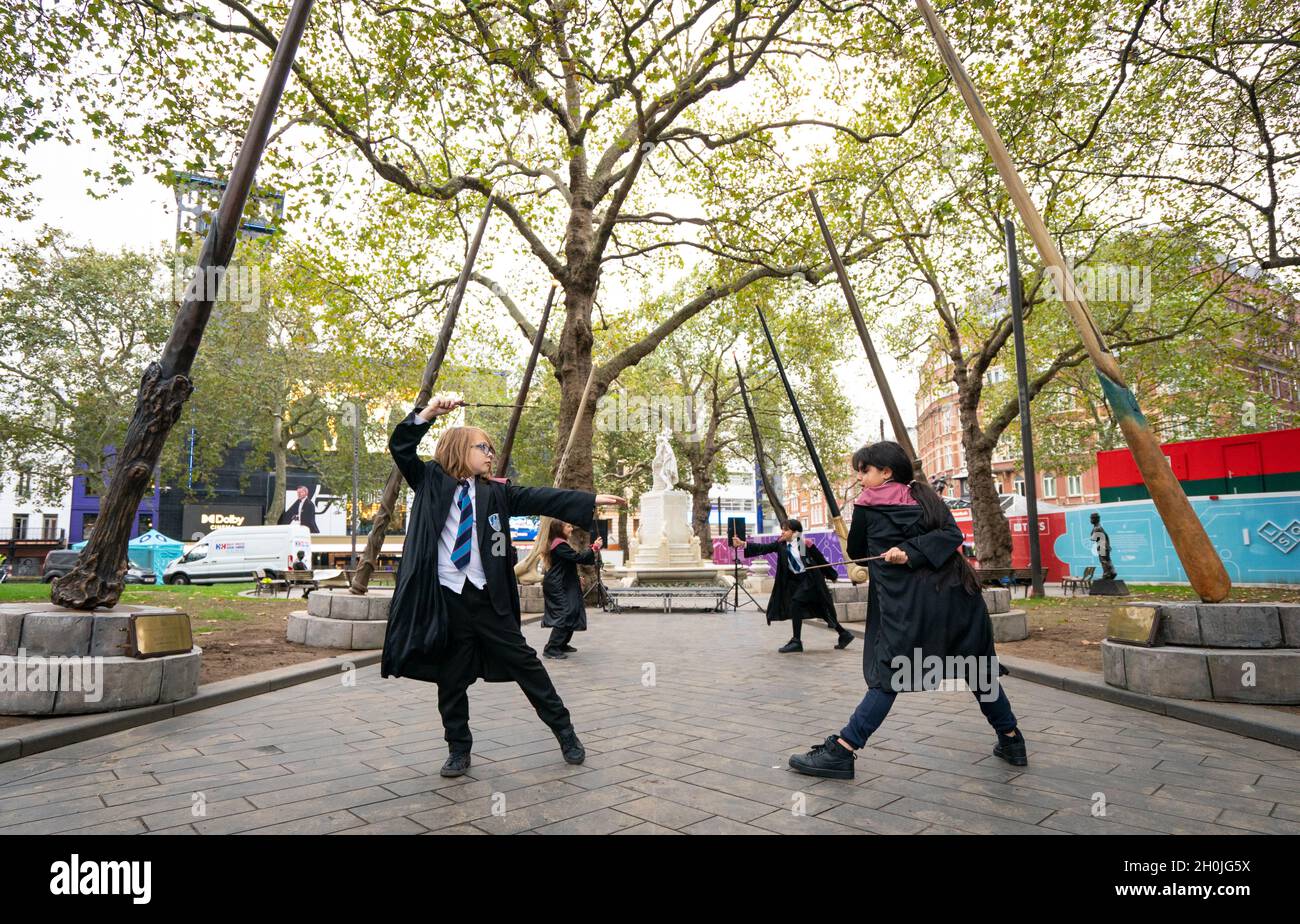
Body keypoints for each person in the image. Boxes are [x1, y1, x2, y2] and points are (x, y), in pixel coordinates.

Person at [381, 394, 627, 778]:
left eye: (492, 449)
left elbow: (540, 496)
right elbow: (401, 445)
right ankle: (458, 749)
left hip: (487, 599)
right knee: (450, 678)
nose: (491, 454)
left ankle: (565, 732)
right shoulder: (428, 481)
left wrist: (589, 499)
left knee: (528, 665)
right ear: (461, 449)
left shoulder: (496, 492)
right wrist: (428, 413)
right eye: (484, 447)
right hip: (445, 599)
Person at [787, 441, 1027, 779]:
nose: (859, 476)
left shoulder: (869, 508)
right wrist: (913, 548)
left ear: (886, 472)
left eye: (864, 469)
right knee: (976, 669)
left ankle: (843, 749)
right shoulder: (925, 495)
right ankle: (1012, 739)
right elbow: (950, 534)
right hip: (958, 600)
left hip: (909, 606)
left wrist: (907, 550)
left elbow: (856, 552)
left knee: (891, 672)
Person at [732, 518, 854, 652]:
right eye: (782, 529)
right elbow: (762, 548)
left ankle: (796, 641)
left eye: (786, 530)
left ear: (795, 532)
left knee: (796, 602)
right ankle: (843, 634)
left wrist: (832, 575)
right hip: (796, 583)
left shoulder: (802, 544)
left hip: (810, 580)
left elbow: (819, 560)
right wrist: (743, 544)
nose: (782, 532)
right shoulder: (781, 545)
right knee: (818, 608)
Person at [540, 519, 600, 659]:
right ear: (559, 528)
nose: (571, 528)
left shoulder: (559, 543)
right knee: (565, 613)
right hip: (558, 585)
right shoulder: (559, 544)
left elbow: (565, 564)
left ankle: (562, 643)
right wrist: (594, 548)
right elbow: (577, 558)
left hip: (565, 582)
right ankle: (551, 648)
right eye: (567, 526)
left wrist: (575, 577)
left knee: (573, 610)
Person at [1090, 512, 1117, 581]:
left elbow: (1093, 538)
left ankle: (1106, 575)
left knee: (1103, 561)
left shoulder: (1097, 528)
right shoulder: (1099, 527)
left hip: (1102, 546)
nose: (1090, 520)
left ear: (1095, 519)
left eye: (1091, 518)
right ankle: (1113, 572)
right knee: (1108, 560)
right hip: (1105, 546)